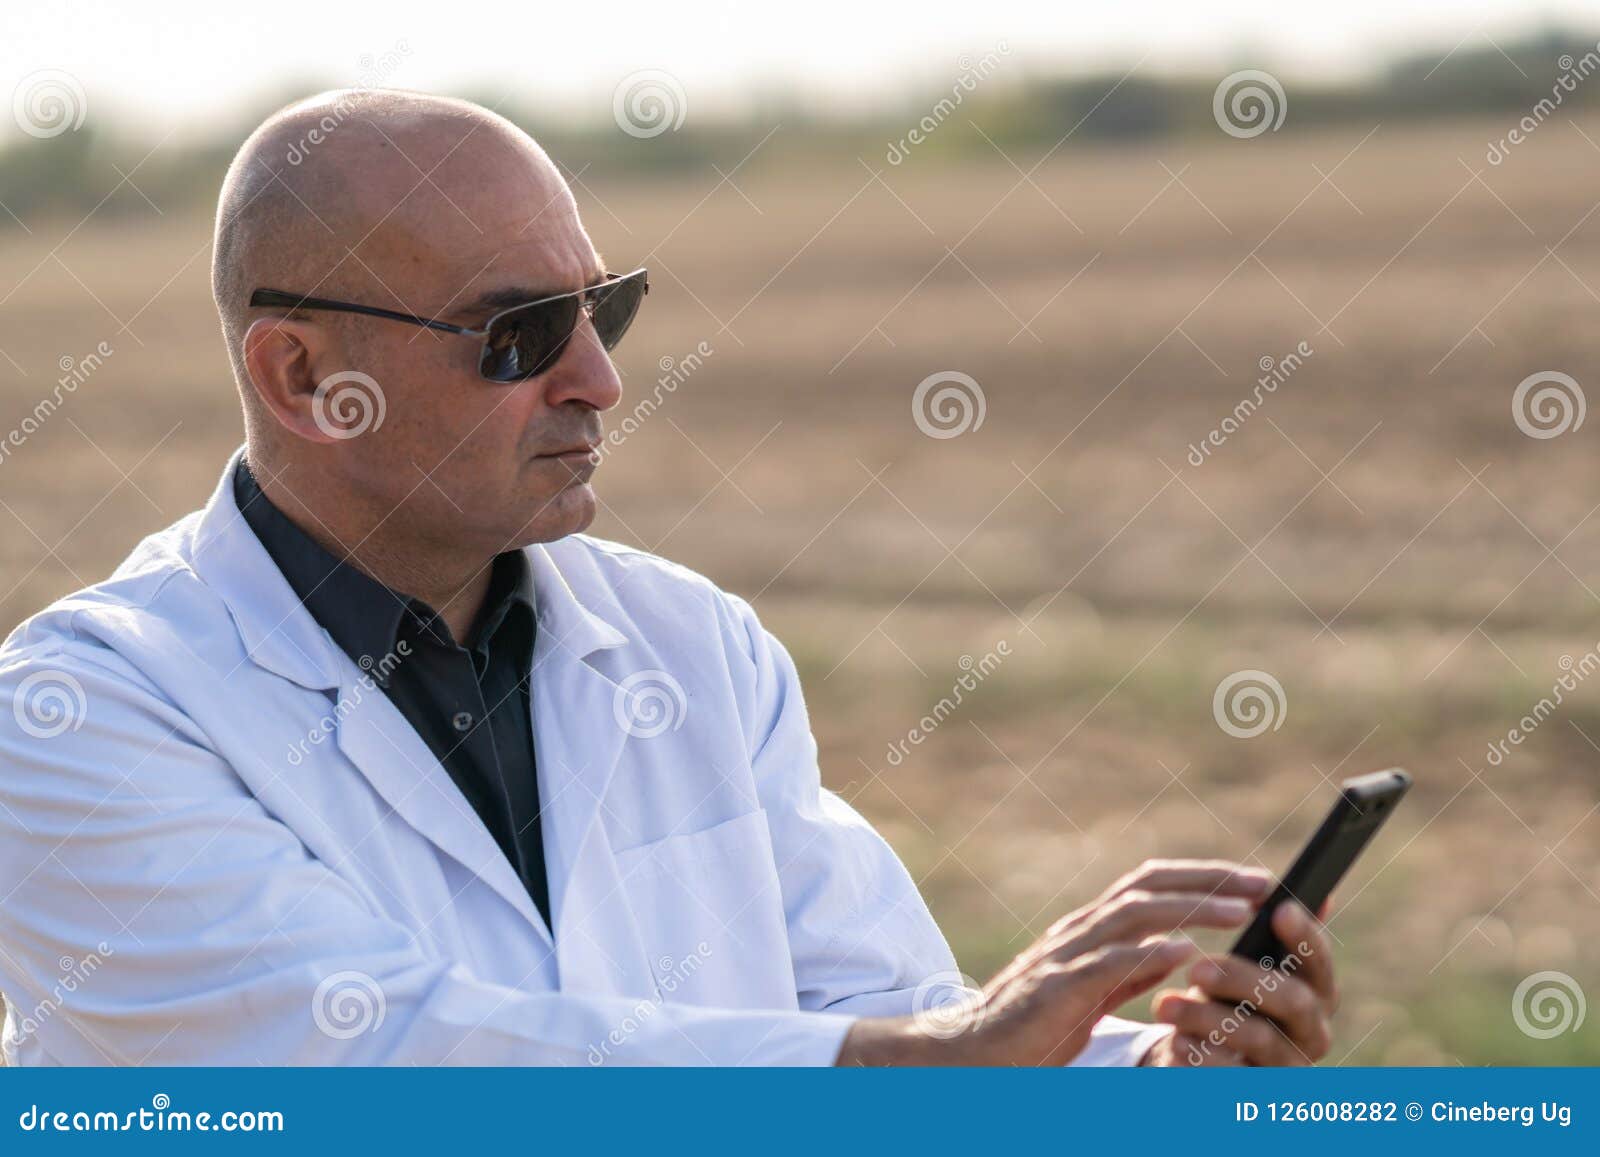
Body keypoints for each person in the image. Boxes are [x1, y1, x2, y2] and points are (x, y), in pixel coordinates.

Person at [0, 90, 1337, 1066]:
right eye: (521, 332)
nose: (599, 379)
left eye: (607, 308)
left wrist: (1144, 1081)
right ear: (302, 378)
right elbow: (375, 1054)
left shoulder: (694, 647)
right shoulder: (80, 715)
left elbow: (881, 1025)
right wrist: (949, 1063)